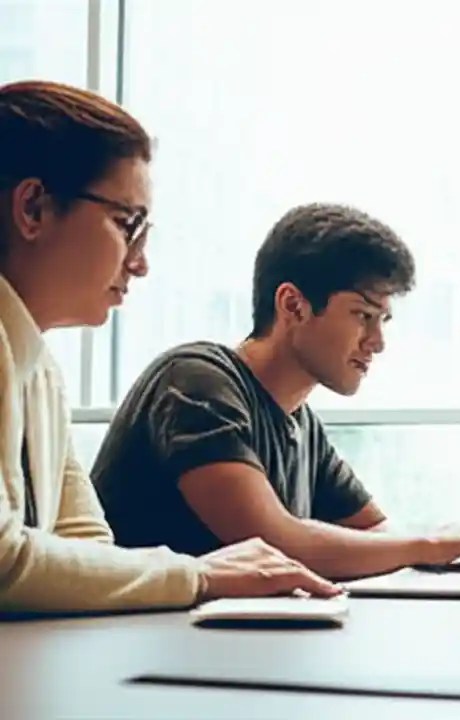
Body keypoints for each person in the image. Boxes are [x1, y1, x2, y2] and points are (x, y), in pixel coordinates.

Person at [0, 80, 338, 613]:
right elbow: (5, 562)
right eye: (126, 224)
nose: (140, 263)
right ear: (33, 208)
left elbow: (89, 551)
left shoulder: (39, 369)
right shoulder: (194, 377)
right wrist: (200, 575)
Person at [91, 203, 460, 580]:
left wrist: (440, 551)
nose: (377, 342)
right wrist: (426, 545)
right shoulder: (195, 382)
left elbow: (376, 535)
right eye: (363, 315)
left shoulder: (301, 424)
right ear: (292, 305)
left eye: (383, 321)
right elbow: (273, 542)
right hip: (142, 635)